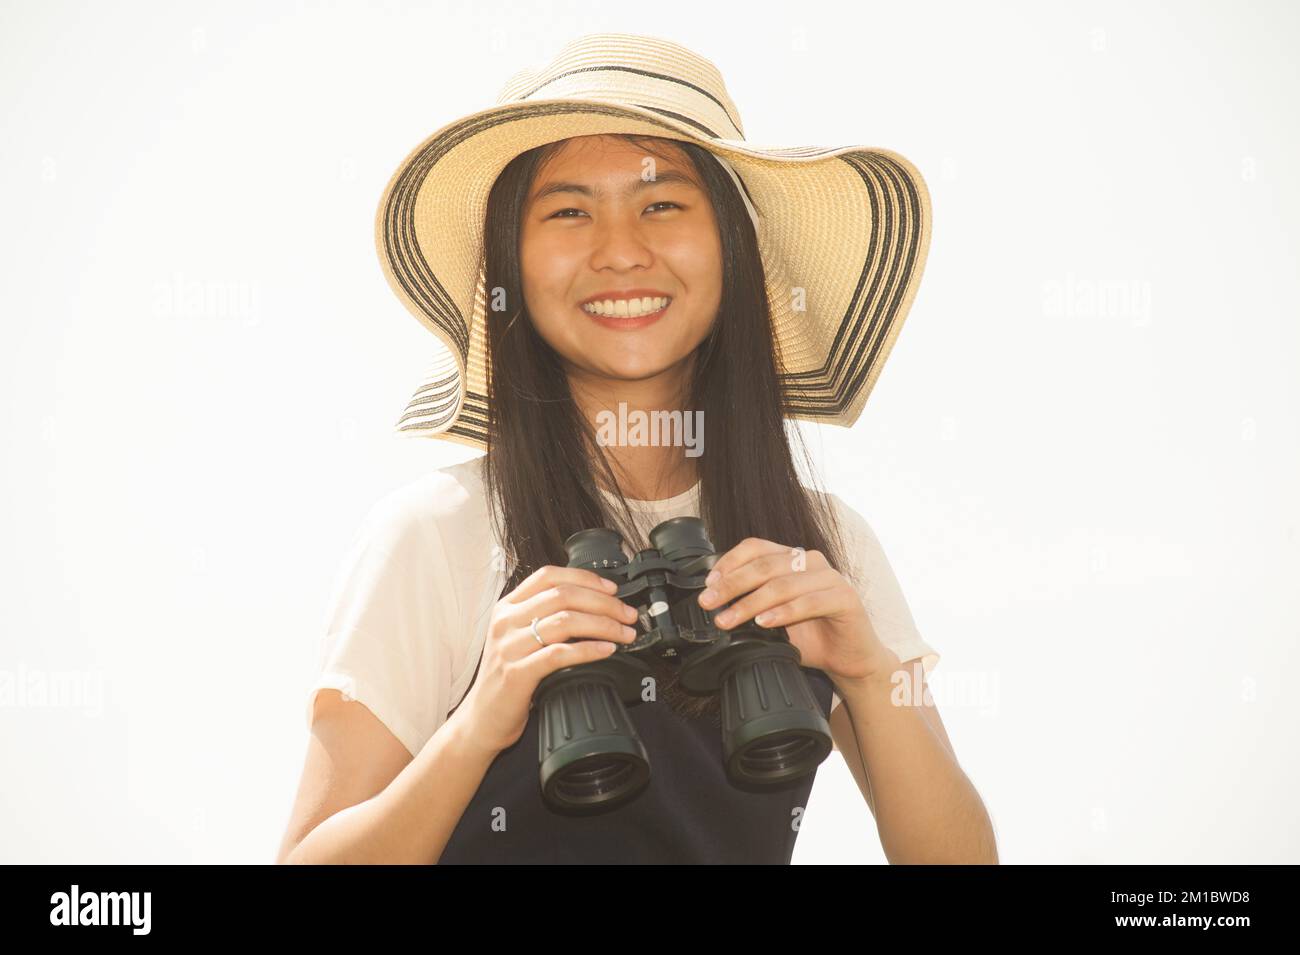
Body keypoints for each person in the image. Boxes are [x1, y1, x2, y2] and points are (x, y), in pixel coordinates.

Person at [276, 33, 996, 864]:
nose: (620, 251)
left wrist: (868, 670)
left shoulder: (822, 545)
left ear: (732, 247)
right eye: (569, 211)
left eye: (662, 204)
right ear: (514, 259)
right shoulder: (439, 533)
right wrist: (479, 722)